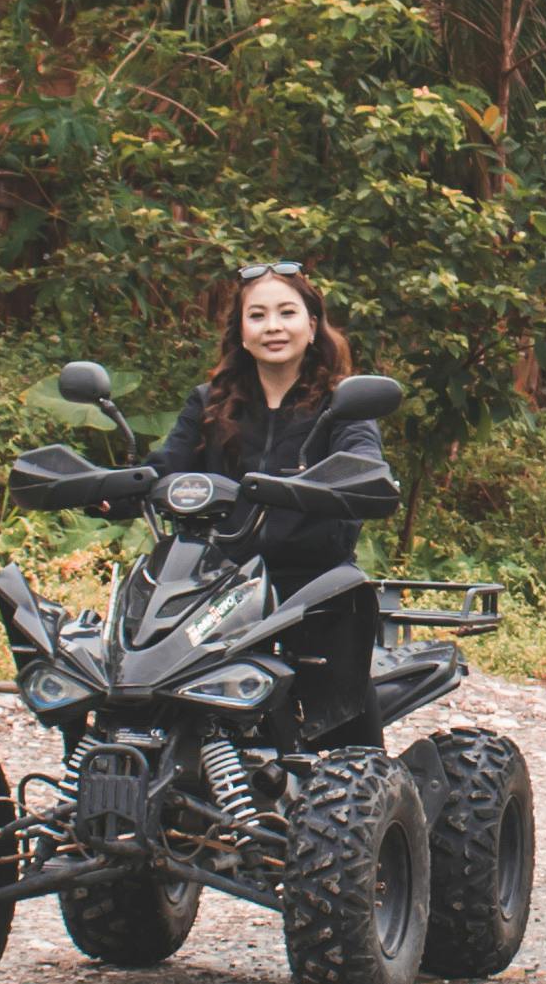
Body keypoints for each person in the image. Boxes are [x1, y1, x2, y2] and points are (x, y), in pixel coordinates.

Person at [153, 260, 396, 745]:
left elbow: (365, 464)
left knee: (347, 732)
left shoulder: (340, 405)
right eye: (257, 315)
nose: (273, 327)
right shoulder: (209, 403)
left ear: (312, 325)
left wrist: (348, 481)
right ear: (241, 332)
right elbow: (164, 470)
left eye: (287, 313)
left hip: (312, 587)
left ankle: (367, 794)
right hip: (213, 582)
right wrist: (111, 489)